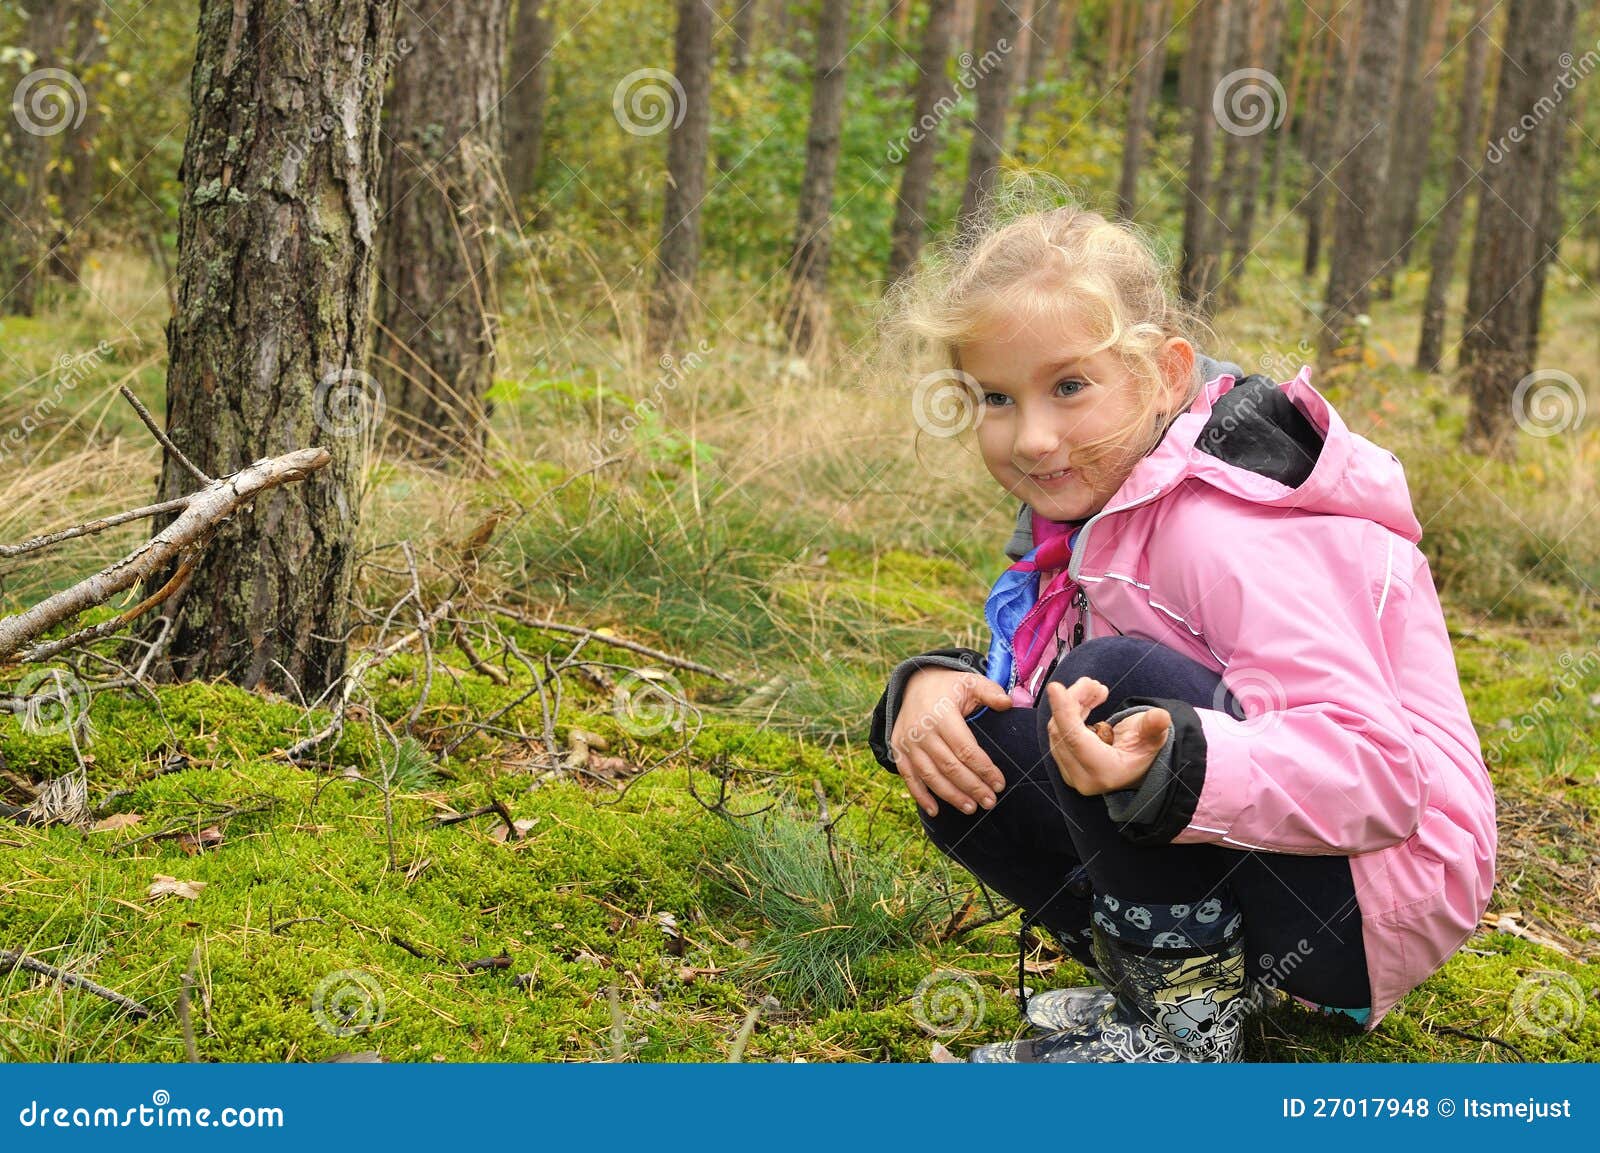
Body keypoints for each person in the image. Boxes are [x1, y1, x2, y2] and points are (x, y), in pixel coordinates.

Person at [866, 196, 1497, 1063]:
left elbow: (1383, 777)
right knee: (955, 737)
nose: (1033, 436)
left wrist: (1181, 762)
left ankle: (1181, 1036)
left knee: (1110, 679)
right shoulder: (1088, 516)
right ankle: (1169, 984)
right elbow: (1043, 690)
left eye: (1069, 386)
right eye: (996, 398)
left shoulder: (1226, 527)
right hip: (1273, 855)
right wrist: (929, 683)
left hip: (1371, 897)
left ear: (1165, 375)